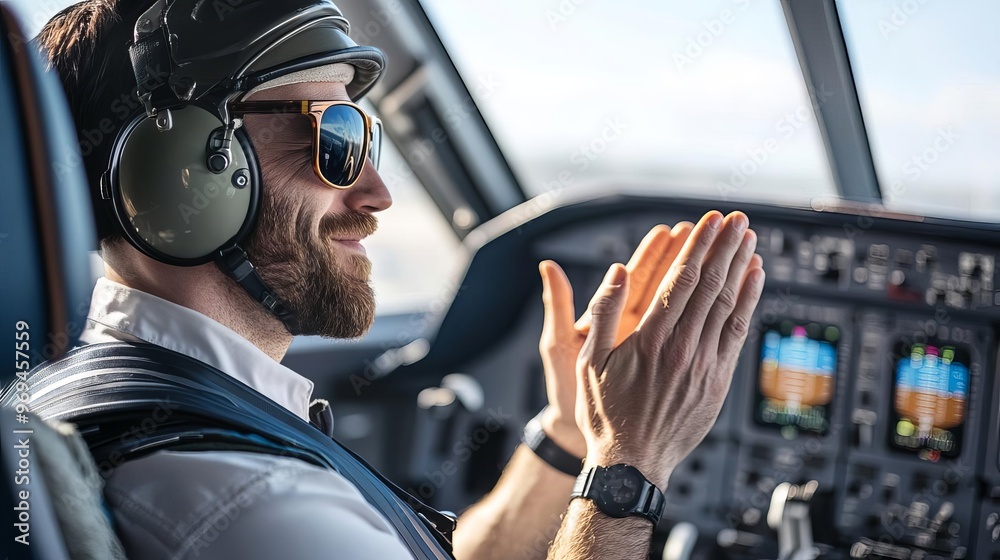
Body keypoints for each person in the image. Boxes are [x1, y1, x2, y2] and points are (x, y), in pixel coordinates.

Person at [34, 0, 764, 558]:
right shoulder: (251, 504)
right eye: (335, 141)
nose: (379, 195)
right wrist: (630, 467)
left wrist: (573, 435)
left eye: (365, 137)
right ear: (176, 174)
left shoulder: (84, 384)